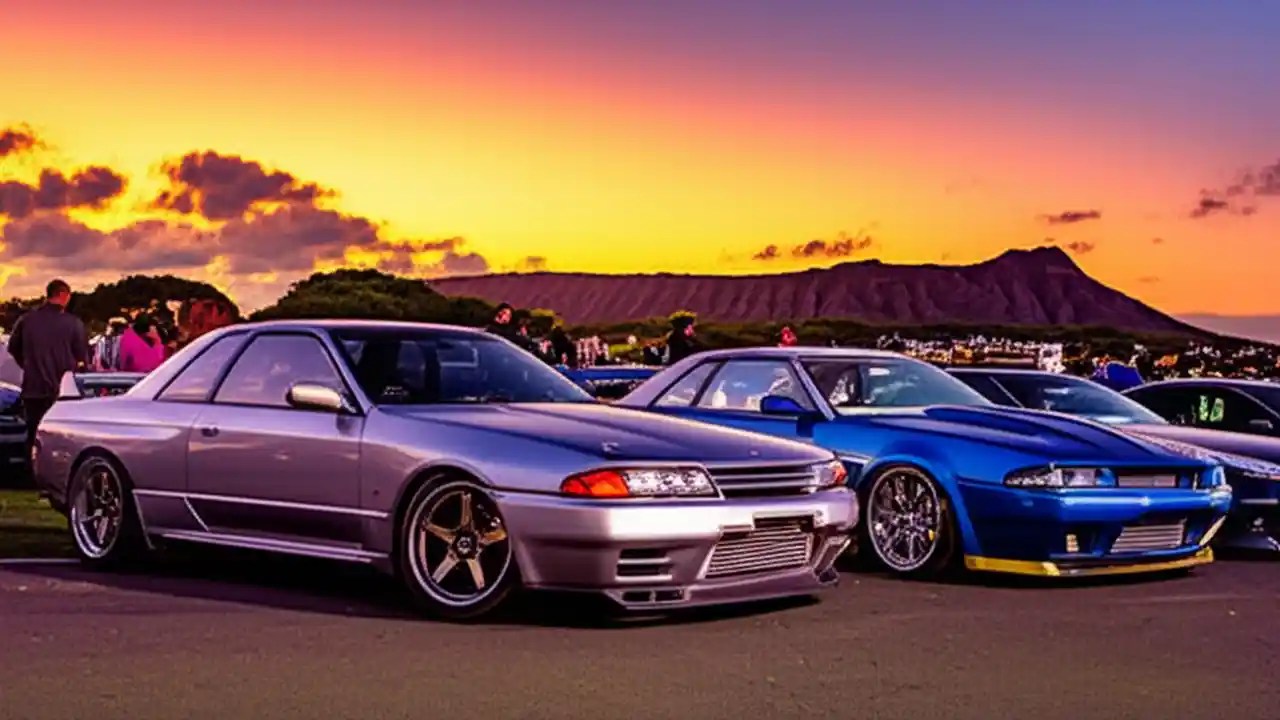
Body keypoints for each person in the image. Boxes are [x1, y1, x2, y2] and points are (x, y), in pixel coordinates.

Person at [6, 279, 89, 452]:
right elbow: (82, 358)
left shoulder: (26, 320)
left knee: (34, 435)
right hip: (62, 391)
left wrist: (28, 365)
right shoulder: (73, 323)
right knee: (61, 439)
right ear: (63, 295)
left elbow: (12, 347)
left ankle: (32, 471)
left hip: (33, 388)